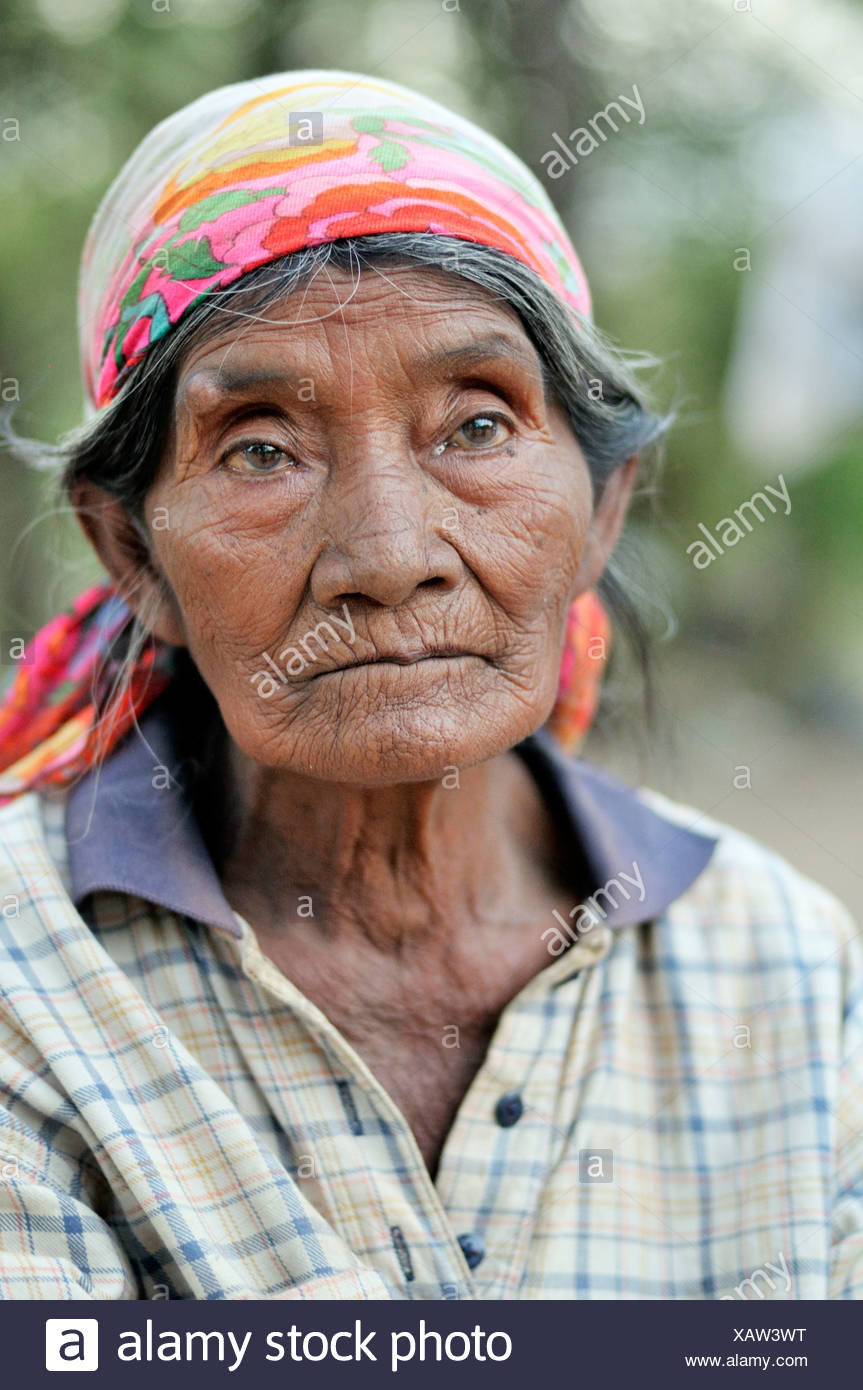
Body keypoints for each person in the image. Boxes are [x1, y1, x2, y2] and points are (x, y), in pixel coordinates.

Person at [0, 70, 860, 1302]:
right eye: (259, 448)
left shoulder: (782, 969)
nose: (390, 557)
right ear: (132, 551)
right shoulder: (25, 987)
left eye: (476, 426)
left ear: (600, 509)